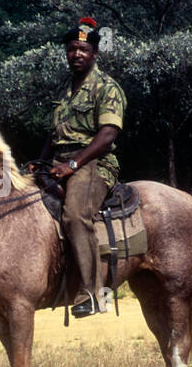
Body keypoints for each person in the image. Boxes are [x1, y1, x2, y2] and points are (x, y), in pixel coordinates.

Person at [37, 17, 126, 318]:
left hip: (93, 162)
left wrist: (73, 164)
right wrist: (38, 164)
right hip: (59, 161)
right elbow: (54, 134)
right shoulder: (64, 89)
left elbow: (108, 134)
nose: (76, 54)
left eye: (83, 50)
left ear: (95, 54)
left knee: (75, 215)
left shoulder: (107, 87)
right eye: (72, 49)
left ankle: (93, 292)